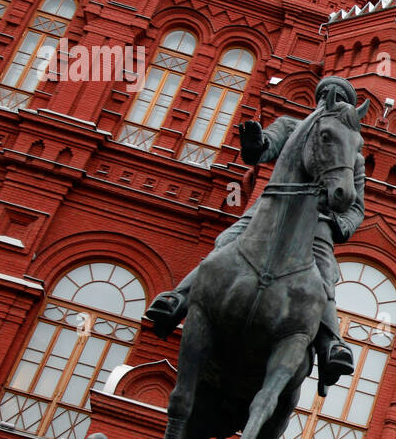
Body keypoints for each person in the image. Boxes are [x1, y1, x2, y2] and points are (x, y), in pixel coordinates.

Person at [145, 77, 364, 386]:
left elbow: (357, 208)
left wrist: (336, 225)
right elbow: (263, 150)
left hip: (315, 226)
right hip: (270, 212)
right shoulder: (291, 127)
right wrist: (253, 143)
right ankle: (178, 299)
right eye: (327, 96)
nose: (332, 101)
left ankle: (331, 344)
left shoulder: (353, 155)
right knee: (226, 242)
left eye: (340, 98)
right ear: (317, 102)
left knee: (326, 273)